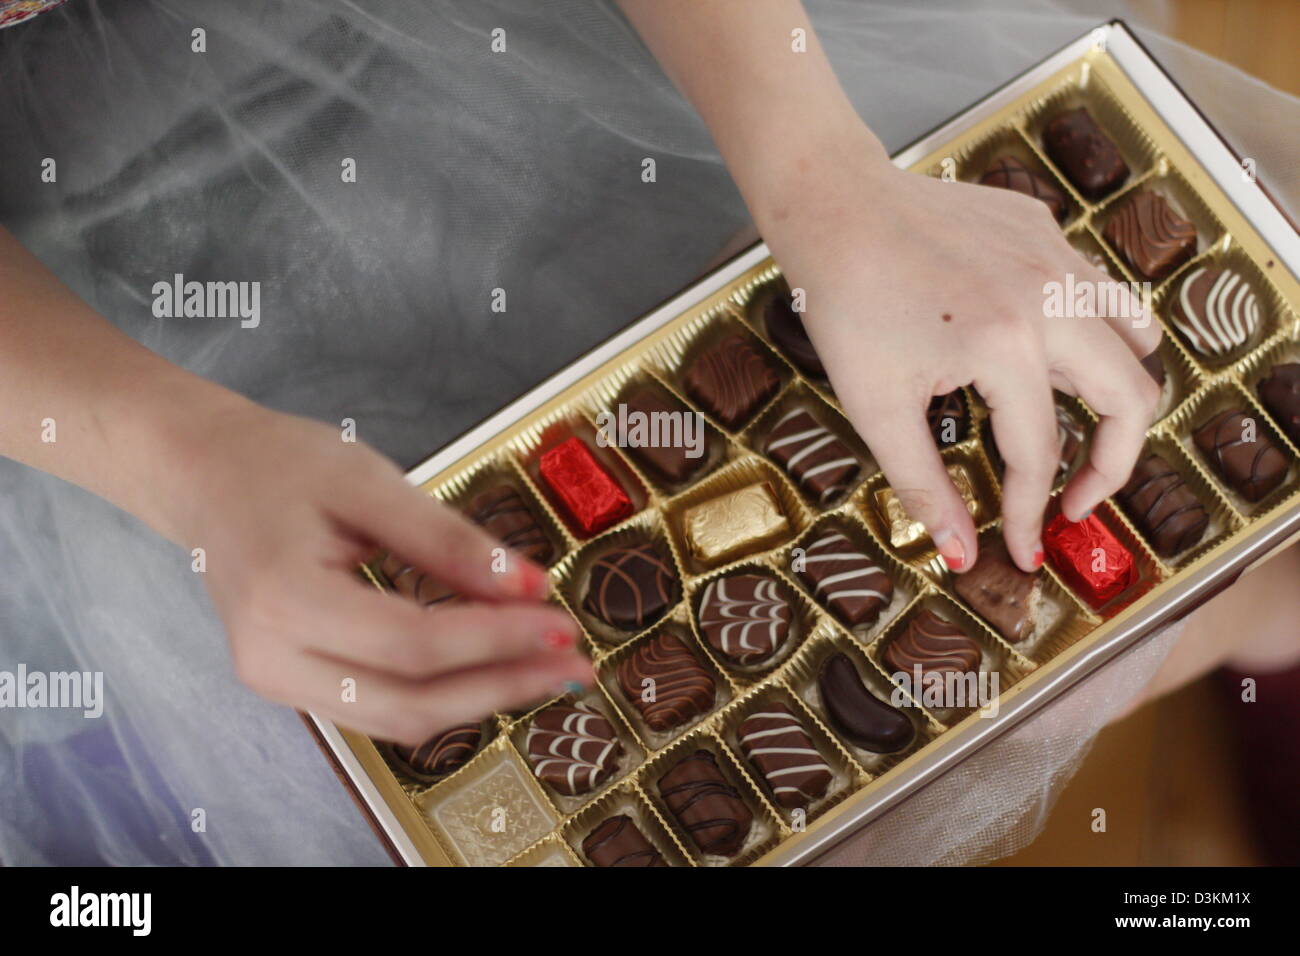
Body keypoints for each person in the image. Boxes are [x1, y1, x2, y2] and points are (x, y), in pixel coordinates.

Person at [1, 0, 1296, 864]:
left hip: (590, 44)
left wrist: (821, 175)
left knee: (1183, 388)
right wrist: (187, 458)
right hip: (88, 315)